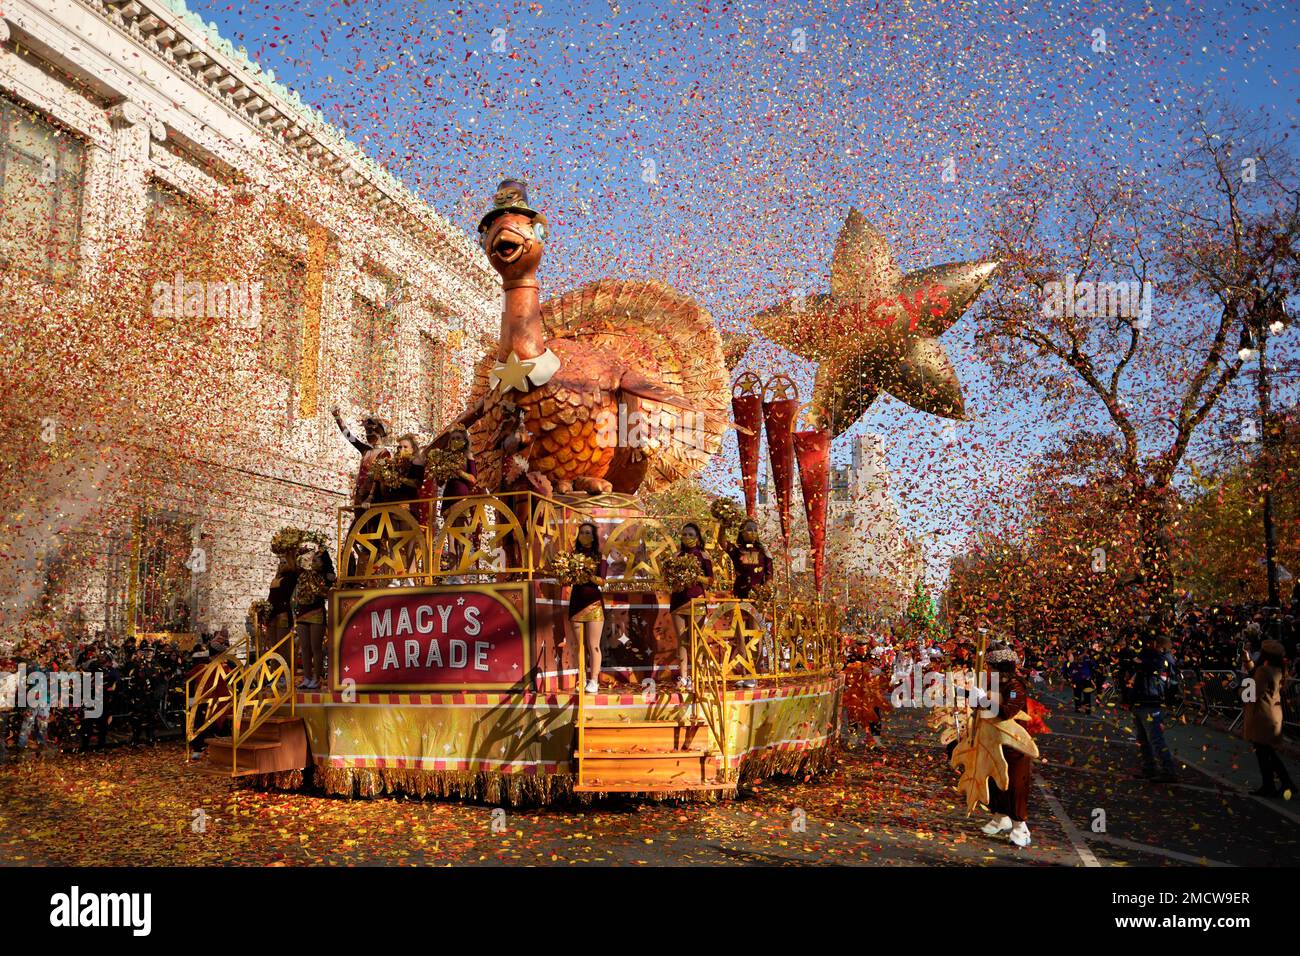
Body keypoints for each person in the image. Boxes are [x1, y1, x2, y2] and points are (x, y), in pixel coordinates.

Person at [978, 641, 1036, 847]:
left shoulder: (1015, 686)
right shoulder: (992, 683)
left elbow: (1006, 712)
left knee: (1014, 784)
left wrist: (983, 700)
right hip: (993, 740)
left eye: (990, 666)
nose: (987, 669)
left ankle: (1021, 827)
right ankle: (1000, 817)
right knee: (994, 780)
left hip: (1013, 744)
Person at [1242, 639, 1295, 799]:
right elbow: (1258, 675)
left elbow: (1251, 694)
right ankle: (1285, 783)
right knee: (1268, 752)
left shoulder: (1264, 671)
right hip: (1273, 714)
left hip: (1261, 716)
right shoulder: (1279, 669)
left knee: (1264, 754)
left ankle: (1270, 785)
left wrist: (1242, 689)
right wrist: (1248, 660)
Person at [668, 522, 713, 692]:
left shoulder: (703, 555)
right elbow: (669, 579)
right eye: (684, 534)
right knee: (682, 640)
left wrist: (695, 575)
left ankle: (696, 677)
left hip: (697, 601)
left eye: (691, 535)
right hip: (678, 601)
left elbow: (710, 580)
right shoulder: (676, 555)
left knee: (696, 641)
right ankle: (684, 676)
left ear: (698, 538)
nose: (687, 537)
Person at [726, 518, 772, 688]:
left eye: (754, 529)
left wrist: (765, 590)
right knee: (740, 636)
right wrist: (724, 521)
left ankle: (755, 673)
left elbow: (769, 575)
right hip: (739, 597)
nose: (752, 532)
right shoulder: (737, 551)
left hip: (756, 600)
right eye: (748, 529)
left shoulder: (764, 552)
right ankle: (745, 674)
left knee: (755, 636)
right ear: (741, 532)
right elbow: (721, 542)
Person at [1131, 634, 1180, 783]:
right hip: (1141, 700)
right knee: (1143, 739)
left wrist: (1139, 659)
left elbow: (1146, 666)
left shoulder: (1162, 658)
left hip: (1151, 701)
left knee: (1155, 738)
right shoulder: (1150, 656)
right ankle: (1149, 768)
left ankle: (1168, 771)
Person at [567, 521, 608, 694]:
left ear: (594, 537)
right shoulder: (572, 556)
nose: (585, 536)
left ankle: (594, 680)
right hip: (576, 603)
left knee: (593, 645)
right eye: (582, 533)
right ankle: (581, 678)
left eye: (588, 533)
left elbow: (602, 581)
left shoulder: (600, 557)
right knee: (578, 646)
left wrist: (588, 574)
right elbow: (567, 579)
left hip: (594, 604)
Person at [294, 546, 336, 690]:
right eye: (313, 559)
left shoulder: (327, 575)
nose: (314, 562)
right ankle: (307, 677)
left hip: (317, 611)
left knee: (315, 647)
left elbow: (330, 587)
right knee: (304, 648)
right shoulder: (304, 573)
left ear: (323, 562)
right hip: (302, 612)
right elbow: (295, 564)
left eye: (317, 560)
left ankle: (317, 678)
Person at [332, 406, 389, 509]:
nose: (368, 434)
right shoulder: (366, 450)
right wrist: (337, 417)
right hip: (360, 495)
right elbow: (349, 436)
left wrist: (370, 497)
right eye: (366, 431)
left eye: (370, 431)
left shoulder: (385, 454)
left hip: (374, 499)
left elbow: (378, 477)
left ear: (379, 433)